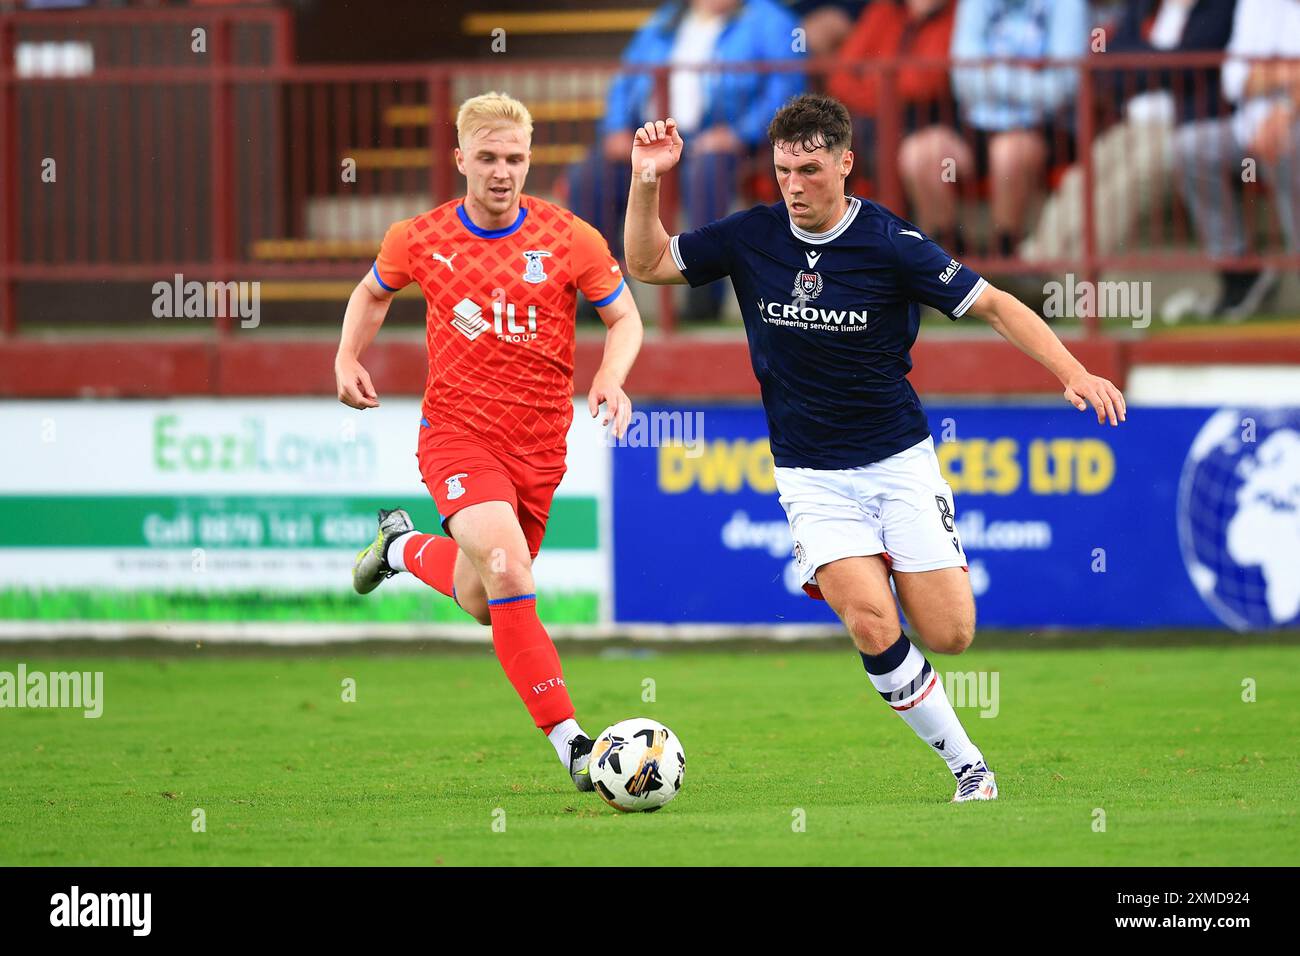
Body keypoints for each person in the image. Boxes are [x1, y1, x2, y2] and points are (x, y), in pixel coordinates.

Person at [623, 93, 1125, 802]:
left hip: (898, 464)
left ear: (845, 163)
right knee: (869, 620)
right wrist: (647, 180)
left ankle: (898, 569)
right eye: (782, 171)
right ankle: (969, 768)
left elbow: (994, 304)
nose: (794, 186)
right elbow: (645, 263)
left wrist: (1073, 372)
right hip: (810, 476)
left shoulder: (890, 243)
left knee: (950, 636)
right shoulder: (751, 235)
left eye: (810, 169)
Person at [335, 92, 644, 792]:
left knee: (482, 598)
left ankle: (400, 548)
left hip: (538, 452)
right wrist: (347, 356)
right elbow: (373, 292)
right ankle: (572, 743)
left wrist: (612, 376)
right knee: (510, 575)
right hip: (456, 439)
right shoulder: (420, 237)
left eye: (514, 159)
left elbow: (624, 319)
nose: (502, 172)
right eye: (487, 158)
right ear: (460, 159)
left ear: (529, 160)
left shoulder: (571, 239)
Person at [567, 0, 805, 318]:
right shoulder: (666, 19)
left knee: (707, 174)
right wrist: (616, 128)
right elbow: (625, 80)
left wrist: (738, 133)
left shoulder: (772, 21)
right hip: (651, 137)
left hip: (721, 142)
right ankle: (604, 294)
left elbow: (786, 91)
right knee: (588, 179)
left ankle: (703, 299)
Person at [901, 0, 1088, 255]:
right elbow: (963, 78)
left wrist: (991, 75)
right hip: (975, 124)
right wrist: (1026, 79)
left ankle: (1006, 257)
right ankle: (948, 262)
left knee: (1008, 152)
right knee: (919, 153)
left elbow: (1062, 87)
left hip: (1046, 127)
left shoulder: (1068, 5)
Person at [1171, 0, 1300, 321]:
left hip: (1290, 128)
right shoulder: (1253, 3)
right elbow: (1232, 79)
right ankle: (1238, 270)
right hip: (1249, 128)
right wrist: (1288, 73)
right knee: (1189, 147)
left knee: (1284, 149)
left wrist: (1283, 103)